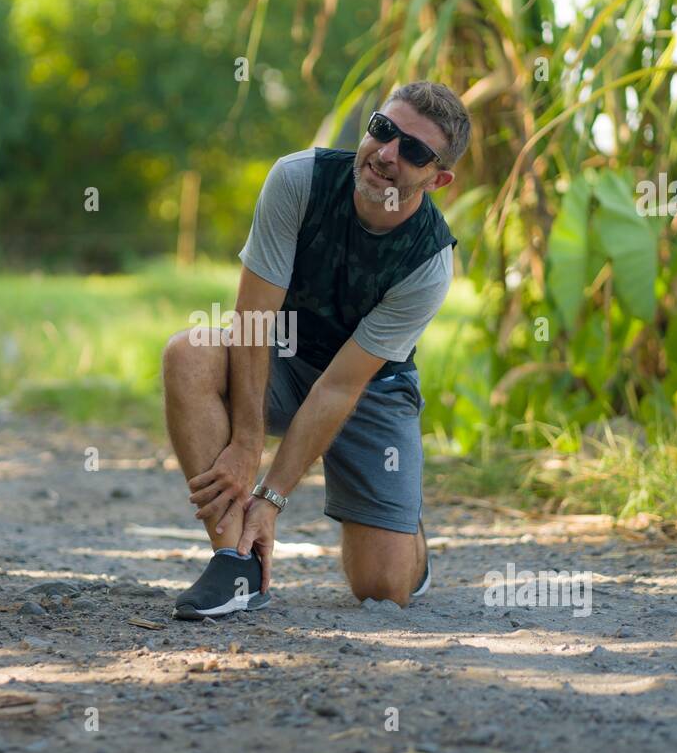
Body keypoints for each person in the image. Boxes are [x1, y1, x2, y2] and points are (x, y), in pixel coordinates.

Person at [161, 81, 471, 619]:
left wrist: (272, 497)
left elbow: (340, 386)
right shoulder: (298, 179)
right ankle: (237, 564)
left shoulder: (429, 262)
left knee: (381, 587)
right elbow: (253, 322)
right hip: (283, 356)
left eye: (414, 151)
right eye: (383, 130)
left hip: (368, 388)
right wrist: (245, 443)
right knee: (188, 353)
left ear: (437, 178)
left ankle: (406, 535)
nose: (387, 153)